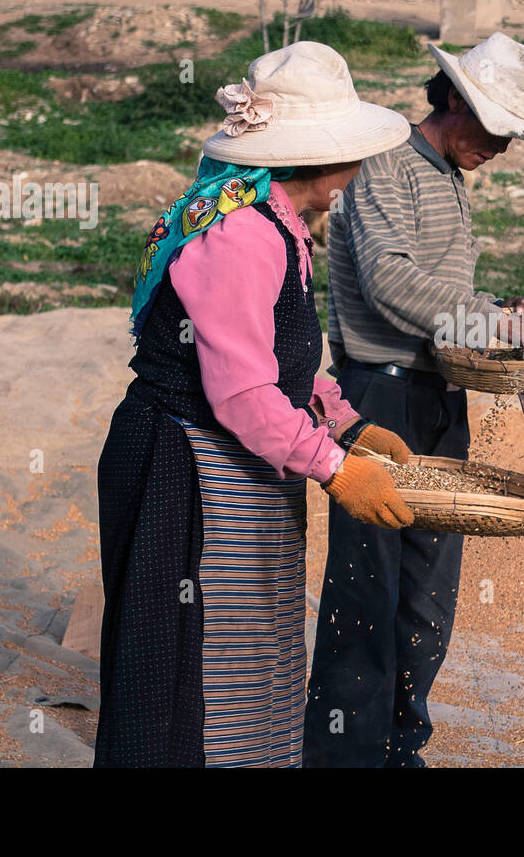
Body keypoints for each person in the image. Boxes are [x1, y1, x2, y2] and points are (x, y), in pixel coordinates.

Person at [95, 41, 416, 767]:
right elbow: (242, 392)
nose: (360, 171)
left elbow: (281, 363)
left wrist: (346, 421)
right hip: (183, 471)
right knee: (184, 677)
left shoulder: (278, 221)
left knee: (249, 665)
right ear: (314, 158)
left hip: (231, 471)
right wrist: (333, 467)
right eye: (352, 155)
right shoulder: (242, 233)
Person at [304, 32, 524, 767]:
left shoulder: (447, 175)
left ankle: (400, 743)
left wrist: (492, 312)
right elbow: (391, 283)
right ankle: (345, 755)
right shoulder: (390, 160)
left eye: (511, 136)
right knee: (369, 587)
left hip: (436, 396)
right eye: (494, 127)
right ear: (451, 96)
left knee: (425, 595)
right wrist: (494, 322)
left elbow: (443, 295)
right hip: (379, 396)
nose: (501, 147)